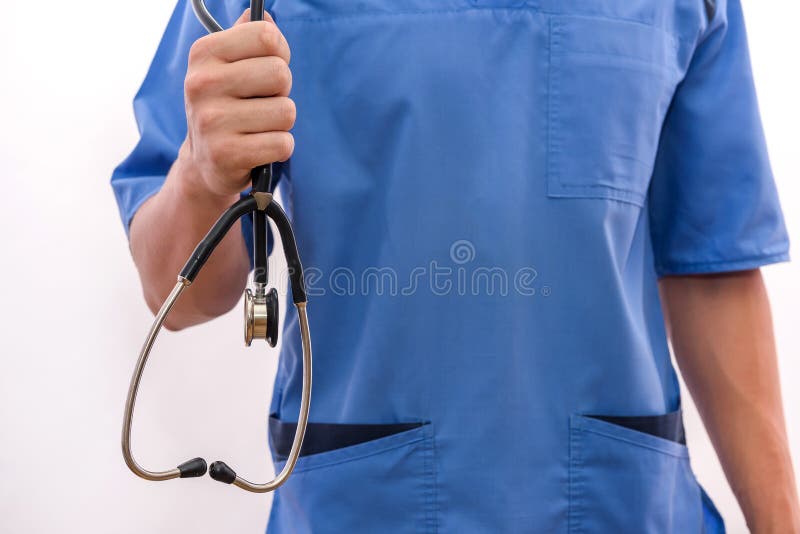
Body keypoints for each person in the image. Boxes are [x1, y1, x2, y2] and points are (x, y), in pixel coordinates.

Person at [112, 0, 799, 531]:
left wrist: (780, 522)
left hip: (628, 508)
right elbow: (174, 287)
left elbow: (712, 263)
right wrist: (204, 177)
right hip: (365, 510)